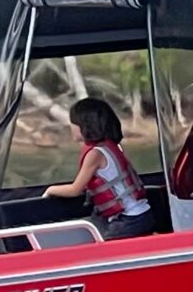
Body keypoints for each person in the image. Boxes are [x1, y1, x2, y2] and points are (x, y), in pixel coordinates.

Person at [44, 98, 157, 240]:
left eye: (73, 123)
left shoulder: (95, 155)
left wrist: (50, 190)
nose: (70, 126)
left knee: (98, 249)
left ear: (84, 125)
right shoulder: (110, 146)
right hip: (141, 215)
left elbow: (75, 190)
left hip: (129, 220)